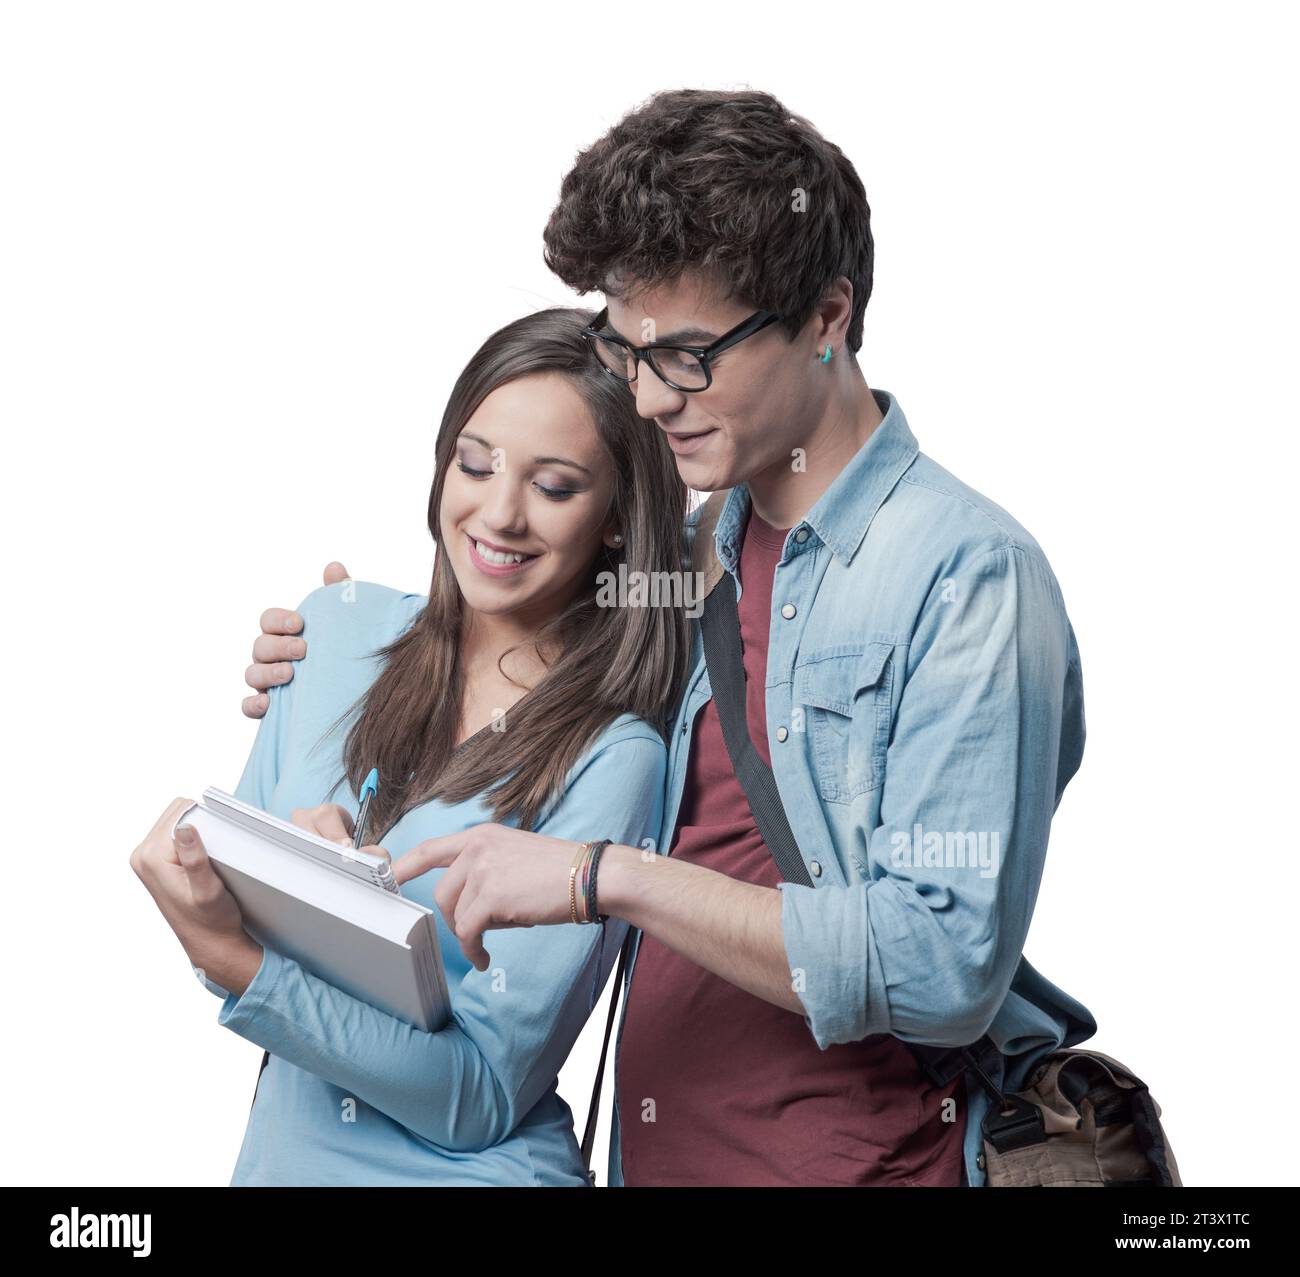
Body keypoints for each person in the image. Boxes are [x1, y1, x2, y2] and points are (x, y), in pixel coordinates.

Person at [242, 88, 1097, 1188]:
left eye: (687, 355)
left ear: (826, 319)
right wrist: (333, 643)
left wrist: (609, 877)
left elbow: (939, 964)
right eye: (628, 349)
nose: (647, 397)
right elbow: (516, 607)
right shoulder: (694, 553)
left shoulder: (970, 577)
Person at [130, 307, 692, 1186]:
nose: (498, 513)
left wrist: (242, 957)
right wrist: (263, 899)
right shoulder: (333, 631)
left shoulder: (615, 757)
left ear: (618, 519)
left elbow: (480, 1096)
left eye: (554, 487)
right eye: (475, 463)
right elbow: (225, 946)